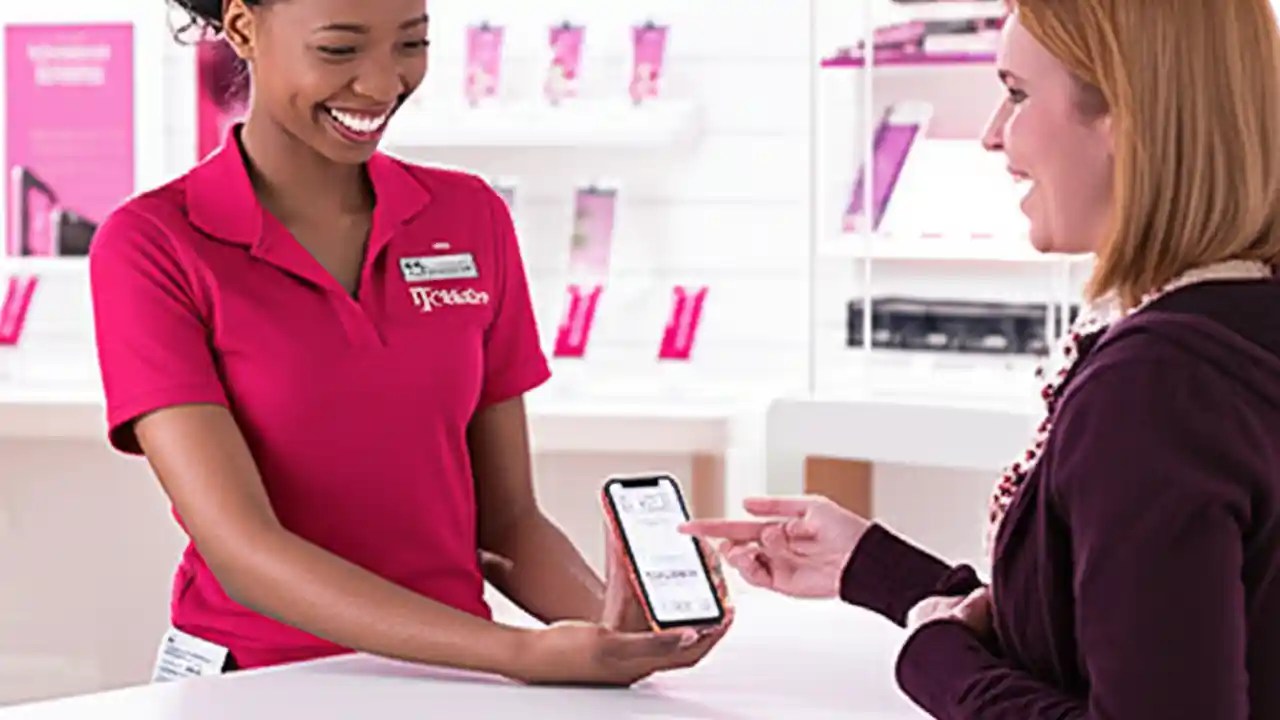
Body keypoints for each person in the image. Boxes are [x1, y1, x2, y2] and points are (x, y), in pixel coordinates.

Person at [88, 0, 730, 686]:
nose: (382, 84)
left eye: (411, 44)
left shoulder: (469, 216)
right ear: (243, 29)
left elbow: (508, 523)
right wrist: (518, 653)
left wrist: (617, 629)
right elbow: (244, 552)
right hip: (258, 683)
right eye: (340, 50)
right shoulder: (153, 245)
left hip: (453, 679)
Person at [685, 1, 1280, 717]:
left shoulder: (1154, 388)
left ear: (1129, 115)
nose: (994, 136)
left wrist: (935, 660)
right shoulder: (1232, 337)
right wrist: (884, 574)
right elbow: (1151, 629)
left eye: (1019, 94)